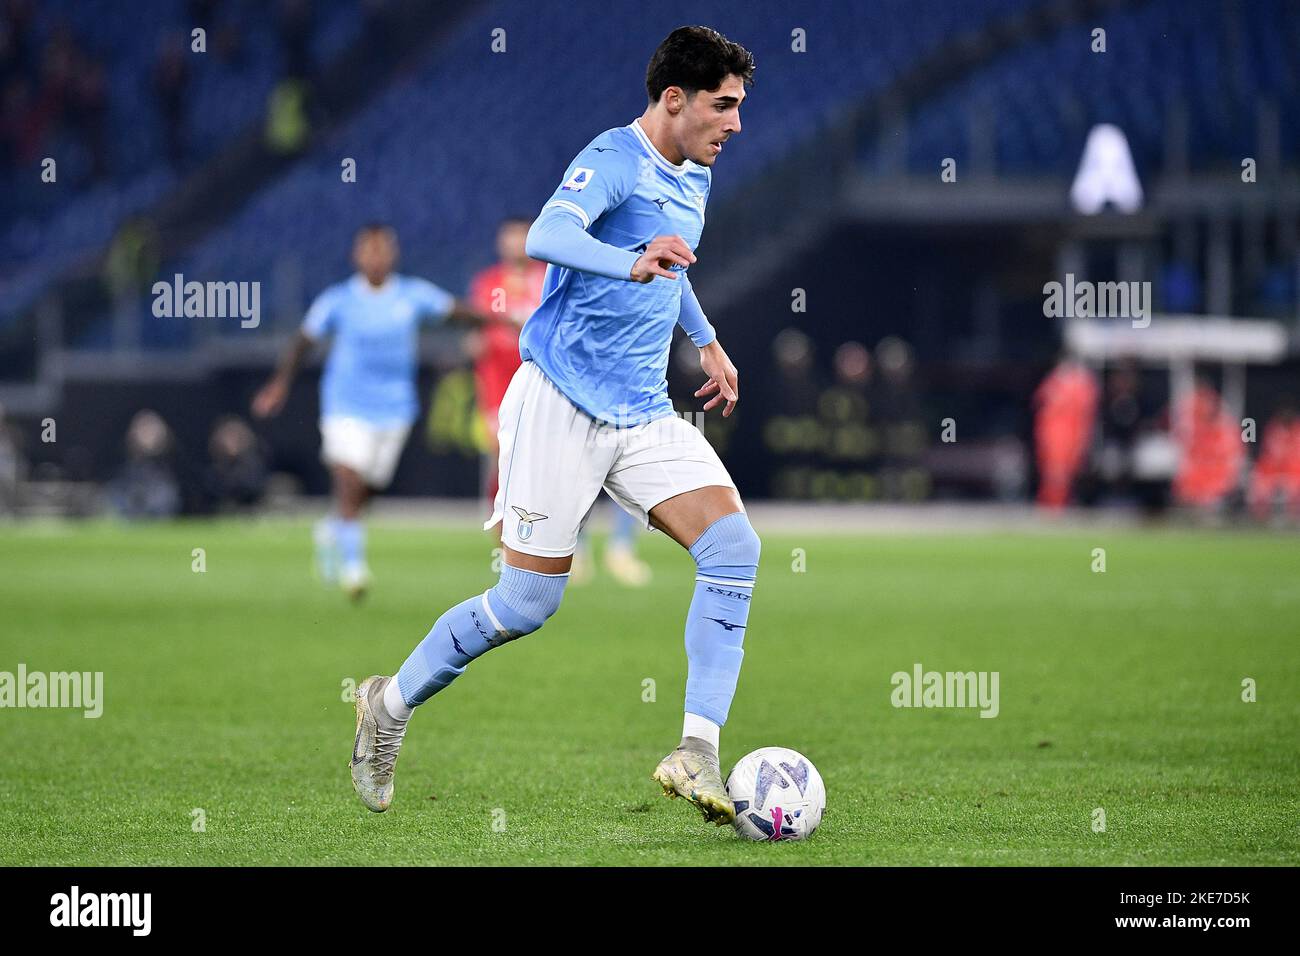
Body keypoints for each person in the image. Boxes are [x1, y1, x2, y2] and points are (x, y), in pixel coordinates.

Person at [349, 26, 757, 826]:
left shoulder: (697, 172)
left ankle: (697, 748)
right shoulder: (612, 157)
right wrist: (630, 254)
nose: (736, 123)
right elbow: (548, 237)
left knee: (734, 547)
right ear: (674, 99)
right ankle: (388, 704)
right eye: (724, 105)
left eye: (739, 107)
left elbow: (672, 269)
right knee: (528, 603)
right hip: (560, 404)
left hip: (641, 408)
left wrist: (705, 341)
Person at [252, 223, 482, 599]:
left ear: (393, 254)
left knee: (369, 488)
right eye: (369, 250)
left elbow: (458, 312)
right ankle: (354, 568)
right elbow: (304, 341)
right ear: (356, 256)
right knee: (348, 476)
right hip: (345, 404)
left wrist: (506, 322)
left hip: (394, 408)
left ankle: (330, 530)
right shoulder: (337, 299)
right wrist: (280, 383)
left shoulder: (412, 294)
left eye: (382, 249)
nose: (376, 257)